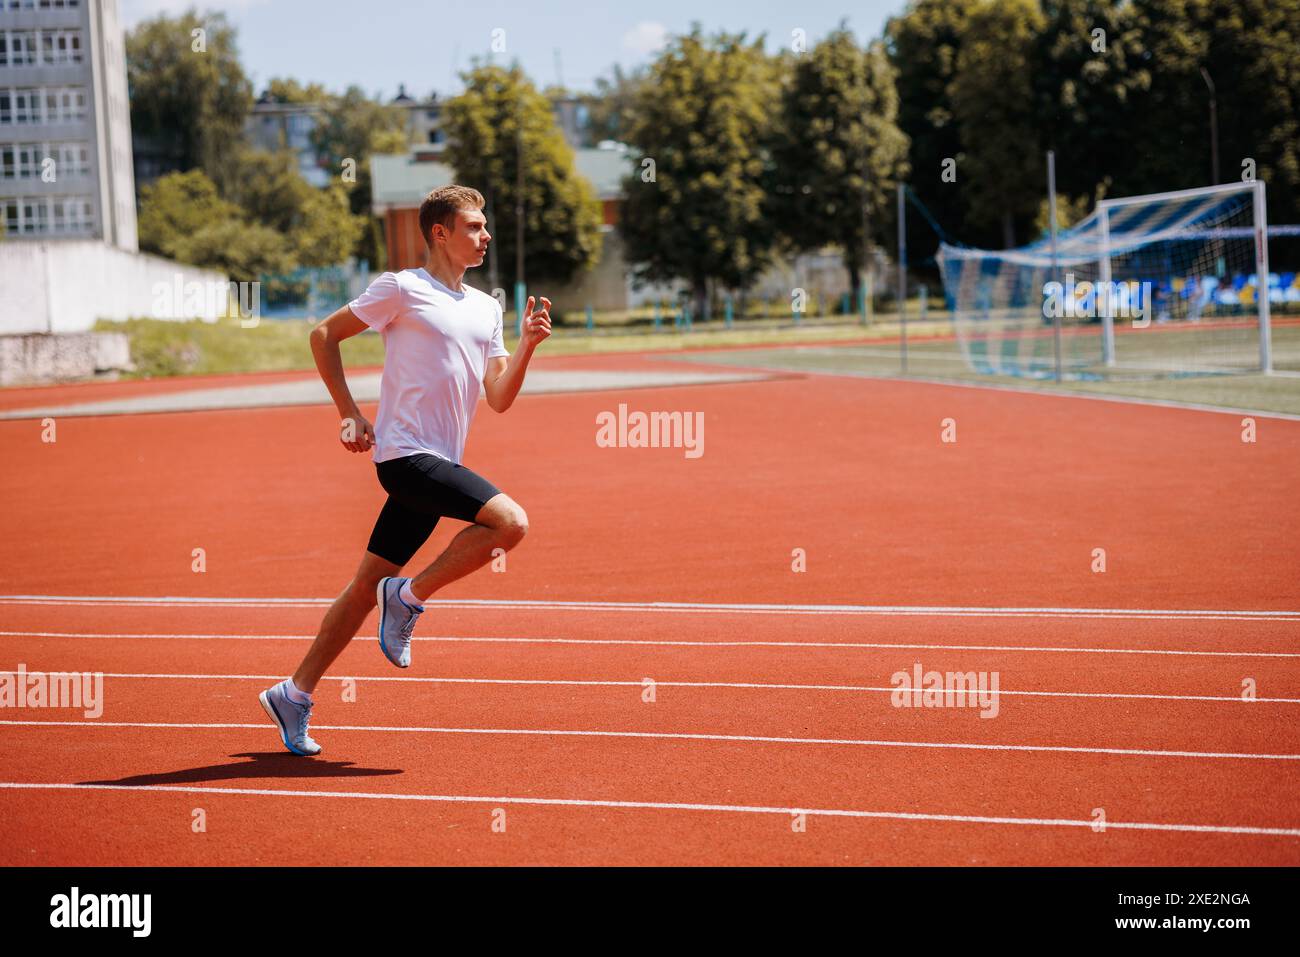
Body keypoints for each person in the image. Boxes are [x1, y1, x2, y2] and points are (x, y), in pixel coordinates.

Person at [259, 184, 551, 755]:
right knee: (509, 523)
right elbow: (323, 335)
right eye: (474, 226)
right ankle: (410, 597)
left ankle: (293, 693)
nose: (486, 235)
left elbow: (498, 397)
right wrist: (349, 412)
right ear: (440, 233)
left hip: (441, 461)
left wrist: (528, 349)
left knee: (366, 586)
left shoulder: (487, 307)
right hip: (405, 456)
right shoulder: (402, 288)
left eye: (485, 226)